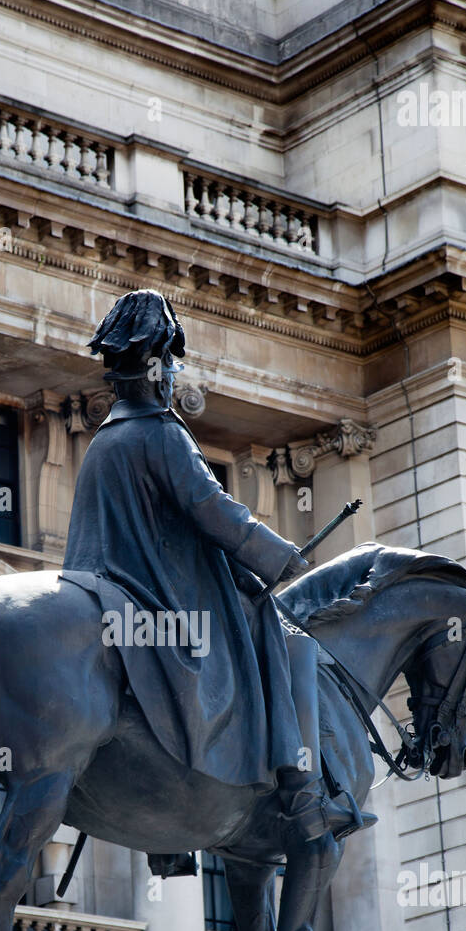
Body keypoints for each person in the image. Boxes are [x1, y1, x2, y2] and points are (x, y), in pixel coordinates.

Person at [61, 289, 375, 844]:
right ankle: (303, 790)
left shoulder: (103, 443)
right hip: (163, 599)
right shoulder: (162, 435)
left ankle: (173, 847)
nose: (174, 375)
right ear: (158, 371)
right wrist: (280, 556)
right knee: (294, 643)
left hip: (106, 590)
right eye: (172, 365)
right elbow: (214, 512)